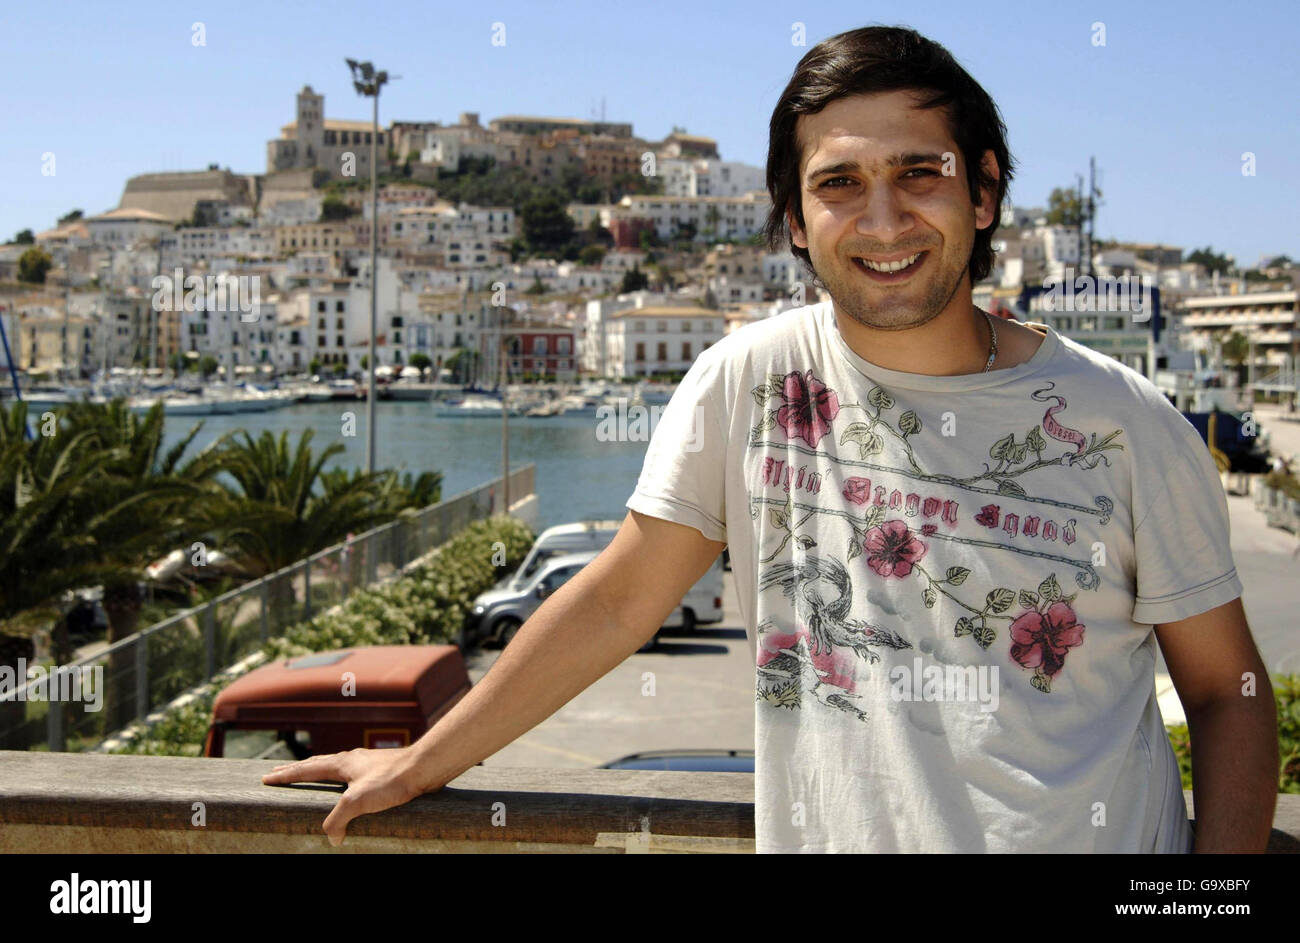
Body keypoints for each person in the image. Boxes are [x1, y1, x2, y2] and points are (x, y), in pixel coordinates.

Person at [262, 25, 1278, 853]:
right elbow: (618, 598)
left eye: (918, 172)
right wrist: (421, 759)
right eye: (838, 184)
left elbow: (1227, 697)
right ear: (794, 218)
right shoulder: (746, 380)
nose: (882, 218)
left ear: (983, 190)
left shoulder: (1127, 420)